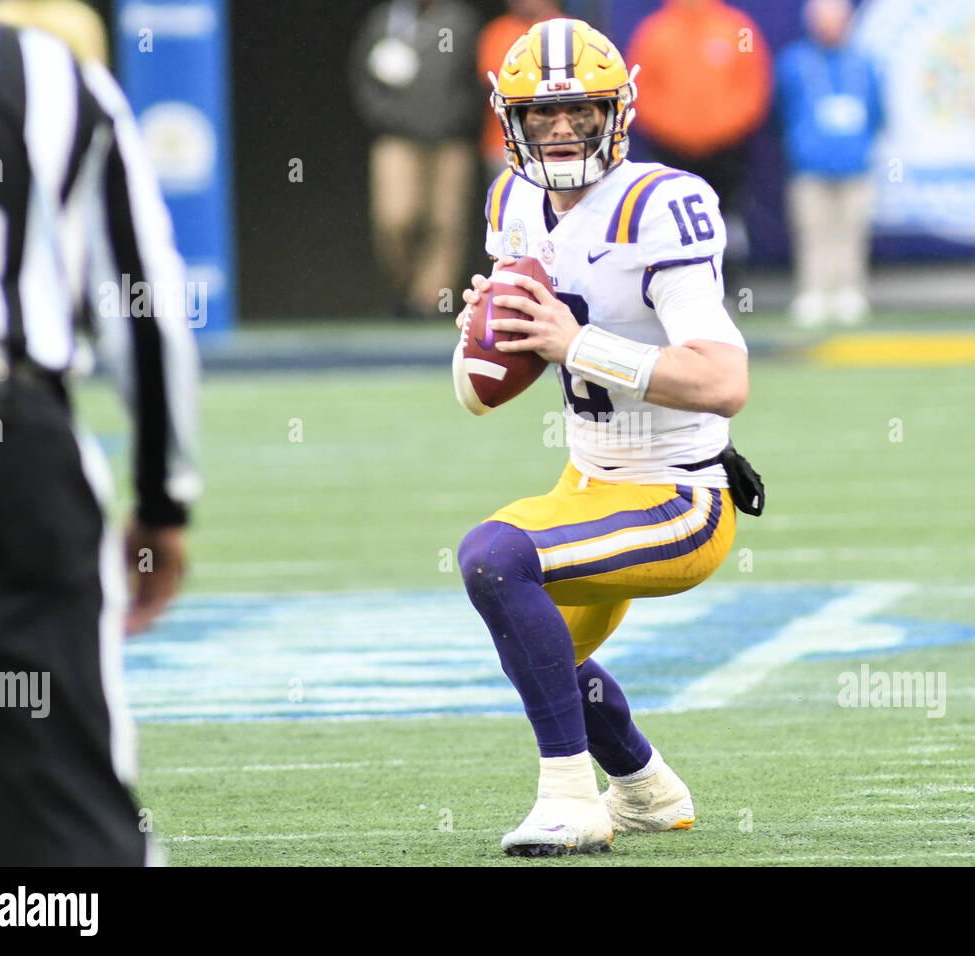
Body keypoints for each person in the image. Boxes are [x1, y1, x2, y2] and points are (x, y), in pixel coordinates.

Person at [453, 17, 763, 856]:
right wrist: (487, 334)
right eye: (542, 115)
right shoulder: (509, 202)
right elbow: (481, 395)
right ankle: (646, 788)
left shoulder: (661, 202)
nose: (562, 129)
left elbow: (725, 380)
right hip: (589, 479)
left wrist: (571, 342)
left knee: (494, 557)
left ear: (617, 112)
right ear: (508, 120)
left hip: (680, 494)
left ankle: (570, 802)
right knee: (531, 632)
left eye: (581, 111)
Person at [0, 0, 201, 865]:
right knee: (66, 830)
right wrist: (165, 501)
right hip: (1, 433)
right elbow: (144, 307)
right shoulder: (52, 73)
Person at [348, 0, 482, 317]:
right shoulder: (386, 20)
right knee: (395, 218)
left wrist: (460, 117)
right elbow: (362, 73)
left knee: (446, 223)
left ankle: (427, 303)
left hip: (451, 141)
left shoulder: (460, 20)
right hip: (398, 137)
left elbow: (477, 75)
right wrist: (384, 115)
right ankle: (404, 285)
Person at [627, 0, 772, 290]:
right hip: (671, 151)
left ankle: (730, 288)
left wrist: (720, 130)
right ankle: (670, 288)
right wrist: (677, 132)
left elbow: (753, 86)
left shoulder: (736, 28)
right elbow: (639, 89)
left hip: (726, 151)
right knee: (668, 221)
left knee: (727, 219)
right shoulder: (655, 32)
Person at [775, 0, 885, 328]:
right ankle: (814, 292)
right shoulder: (794, 62)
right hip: (809, 165)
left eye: (837, 18)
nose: (831, 25)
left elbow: (877, 112)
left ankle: (849, 292)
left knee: (851, 230)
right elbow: (782, 110)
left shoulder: (864, 62)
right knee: (813, 230)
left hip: (855, 164)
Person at [477, 0, 563, 177]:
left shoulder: (569, 30)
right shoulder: (499, 31)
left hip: (560, 139)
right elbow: (498, 81)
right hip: (506, 141)